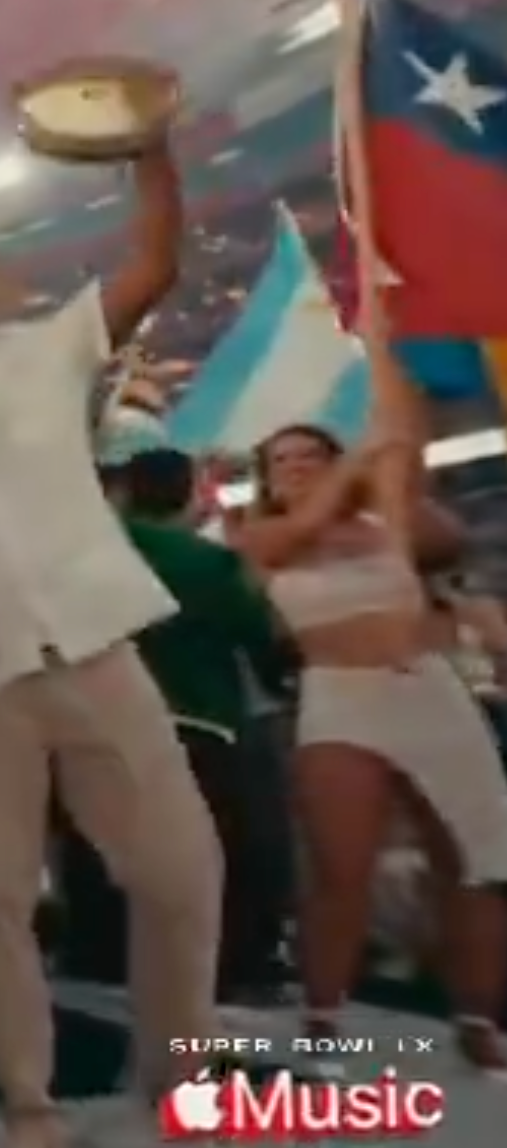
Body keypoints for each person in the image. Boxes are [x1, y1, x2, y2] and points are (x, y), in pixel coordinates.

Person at [0, 118, 218, 1148]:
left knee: (182, 870)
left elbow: (153, 262)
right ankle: (29, 1100)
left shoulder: (43, 351)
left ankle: (177, 1067)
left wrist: (148, 152)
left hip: (96, 642)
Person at [239, 415, 507, 1069]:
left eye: (311, 455)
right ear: (266, 480)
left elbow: (446, 539)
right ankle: (325, 1021)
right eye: (283, 460)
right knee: (341, 871)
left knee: (477, 861)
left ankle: (479, 1017)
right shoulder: (258, 534)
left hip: (430, 691)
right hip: (340, 697)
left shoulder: (388, 525)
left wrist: (389, 476)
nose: (298, 466)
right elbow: (287, 541)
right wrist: (349, 470)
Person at [57, 445, 298, 1002]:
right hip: (200, 722)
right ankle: (234, 966)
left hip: (94, 719)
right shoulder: (205, 562)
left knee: (100, 848)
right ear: (191, 494)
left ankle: (98, 957)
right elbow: (261, 639)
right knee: (220, 850)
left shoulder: (85, 554)